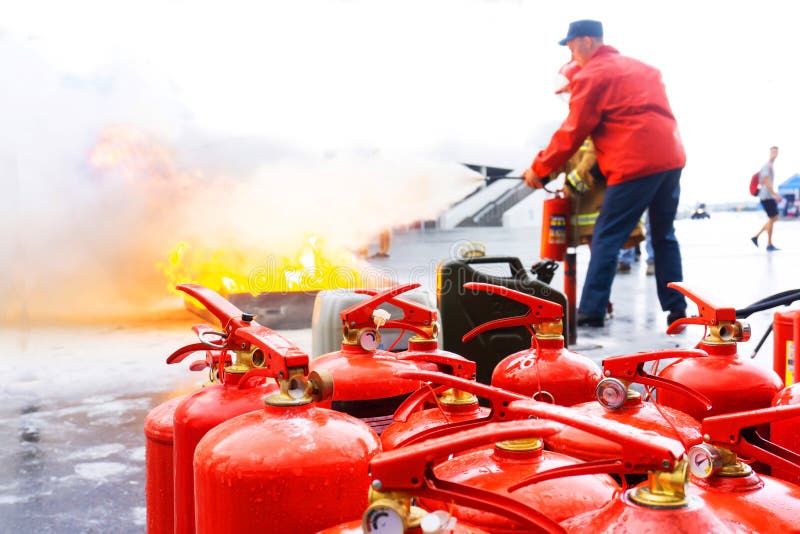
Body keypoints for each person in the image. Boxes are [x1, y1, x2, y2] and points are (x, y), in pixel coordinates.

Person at [523, 19, 687, 327]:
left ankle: (592, 310)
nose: (571, 53)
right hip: (670, 159)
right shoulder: (643, 69)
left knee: (606, 237)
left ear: (586, 41)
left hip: (635, 162)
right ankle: (677, 310)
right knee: (663, 235)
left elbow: (572, 132)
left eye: (571, 45)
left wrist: (539, 169)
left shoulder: (594, 75)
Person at [751, 146, 782, 251]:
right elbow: (766, 182)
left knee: (773, 218)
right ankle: (758, 237)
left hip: (768, 196)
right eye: (773, 152)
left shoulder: (771, 166)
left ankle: (767, 243)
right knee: (774, 217)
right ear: (770, 153)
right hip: (766, 196)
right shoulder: (767, 166)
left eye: (776, 152)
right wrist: (775, 194)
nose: (775, 154)